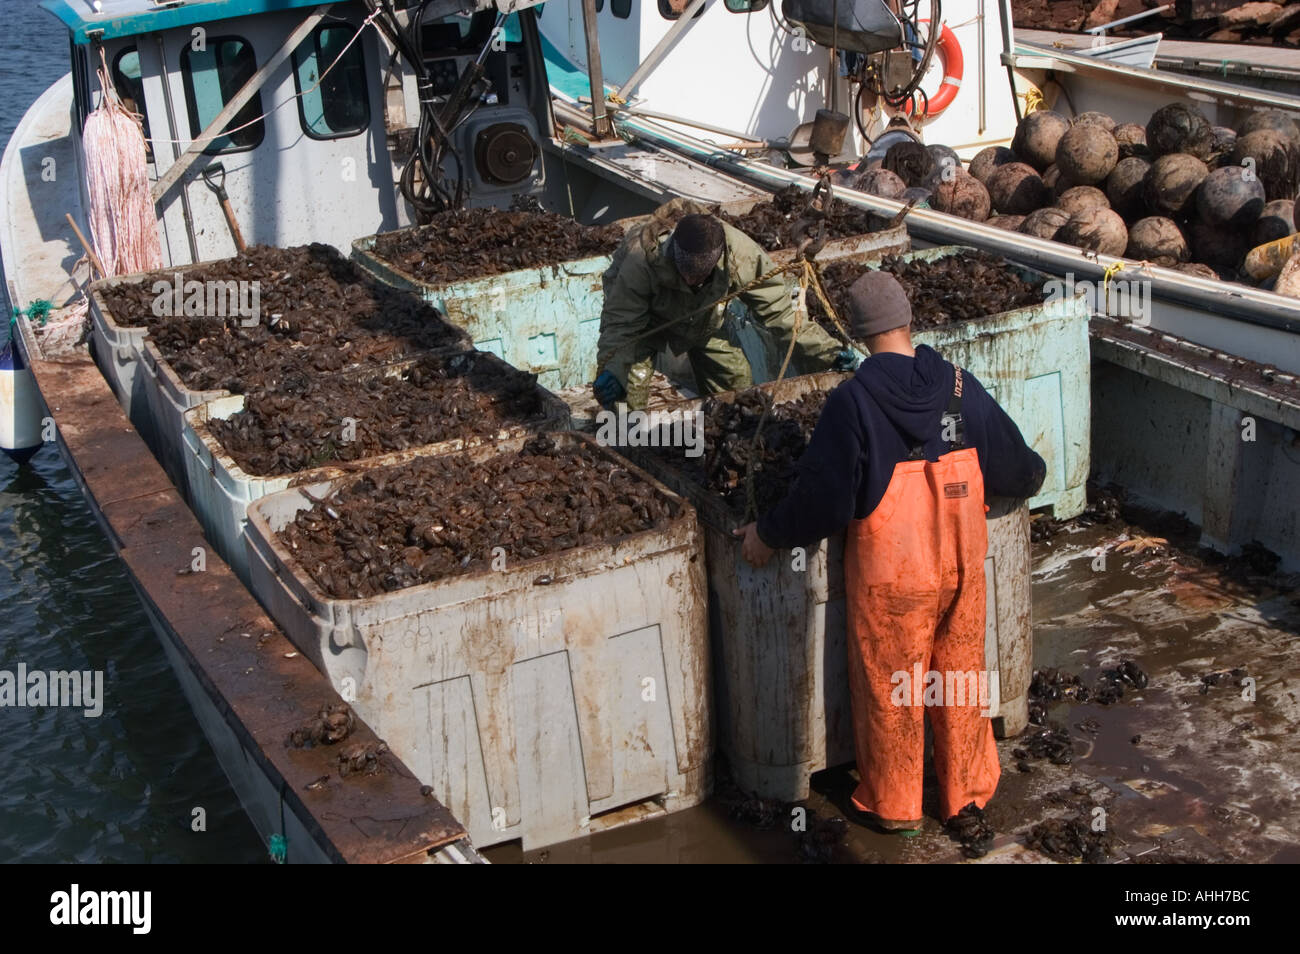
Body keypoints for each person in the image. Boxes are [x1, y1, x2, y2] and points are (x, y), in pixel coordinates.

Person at [733, 270, 1046, 833]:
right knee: (960, 677)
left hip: (894, 580)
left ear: (857, 334)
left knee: (892, 688)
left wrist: (767, 534)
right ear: (908, 320)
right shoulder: (958, 385)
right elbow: (1017, 470)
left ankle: (897, 805)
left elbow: (823, 504)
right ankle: (965, 793)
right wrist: (1030, 474)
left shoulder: (852, 402)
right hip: (960, 569)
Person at [592, 201, 856, 410]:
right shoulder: (641, 260)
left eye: (700, 277)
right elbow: (621, 324)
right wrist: (613, 370)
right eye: (685, 274)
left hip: (704, 320)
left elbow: (781, 315)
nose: (691, 281)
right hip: (644, 324)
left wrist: (828, 351)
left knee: (737, 392)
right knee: (623, 397)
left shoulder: (738, 254)